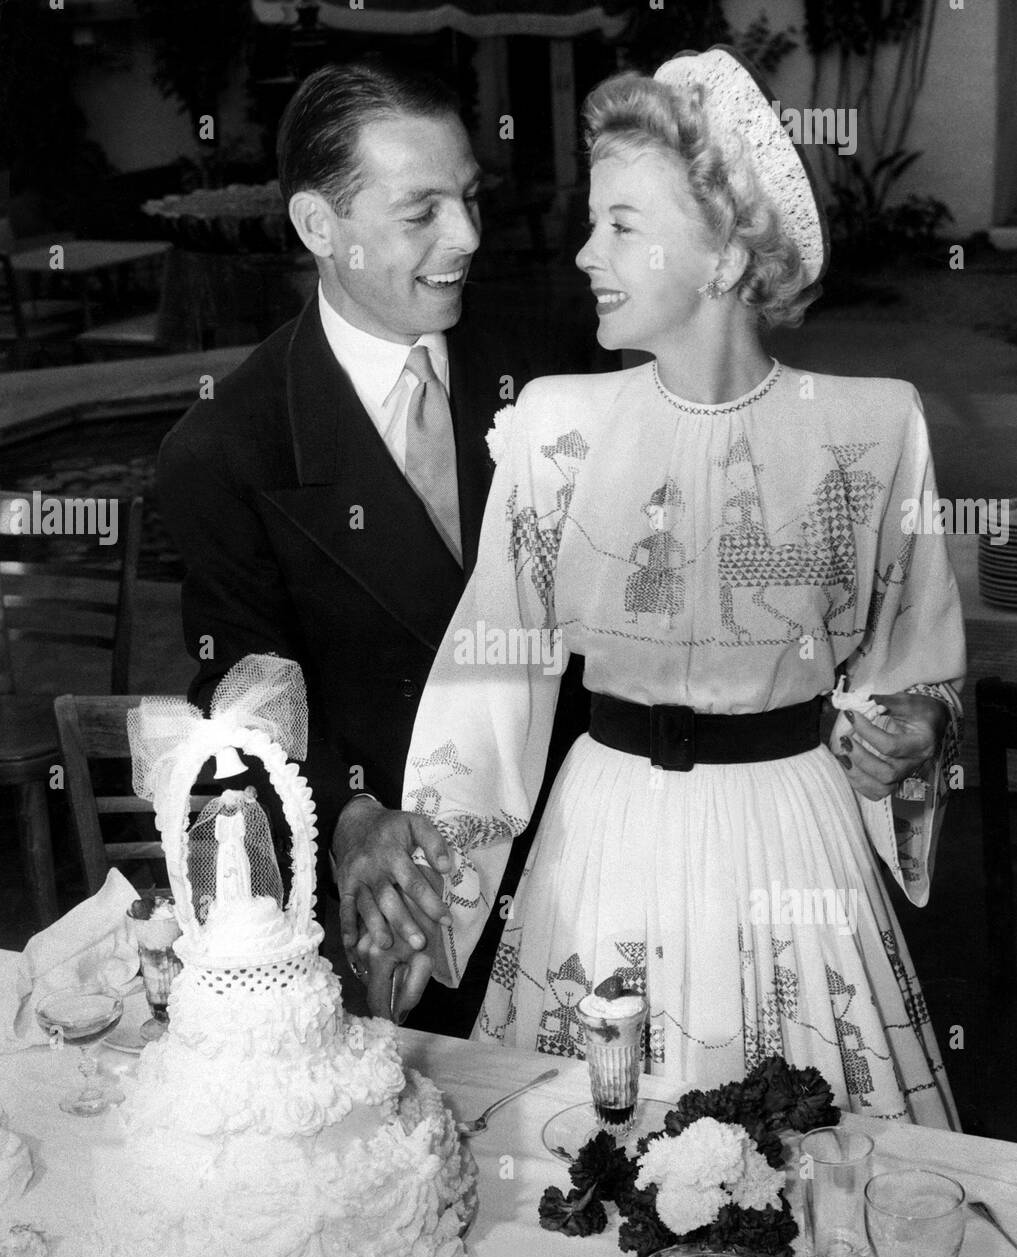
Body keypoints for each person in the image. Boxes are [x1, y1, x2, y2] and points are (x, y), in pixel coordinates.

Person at [360, 47, 965, 1126]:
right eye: (592, 222)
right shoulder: (555, 425)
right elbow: (488, 689)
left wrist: (916, 726)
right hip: (603, 839)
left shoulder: (876, 426)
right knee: (586, 1160)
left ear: (726, 252)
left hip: (794, 838)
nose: (585, 252)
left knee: (815, 1164)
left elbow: (910, 667)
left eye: (622, 225)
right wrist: (425, 901)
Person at [157, 58, 592, 1034]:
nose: (466, 236)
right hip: (410, 916)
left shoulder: (555, 364)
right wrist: (350, 818)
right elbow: (242, 689)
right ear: (321, 227)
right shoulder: (227, 446)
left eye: (470, 198)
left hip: (595, 864)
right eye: (421, 211)